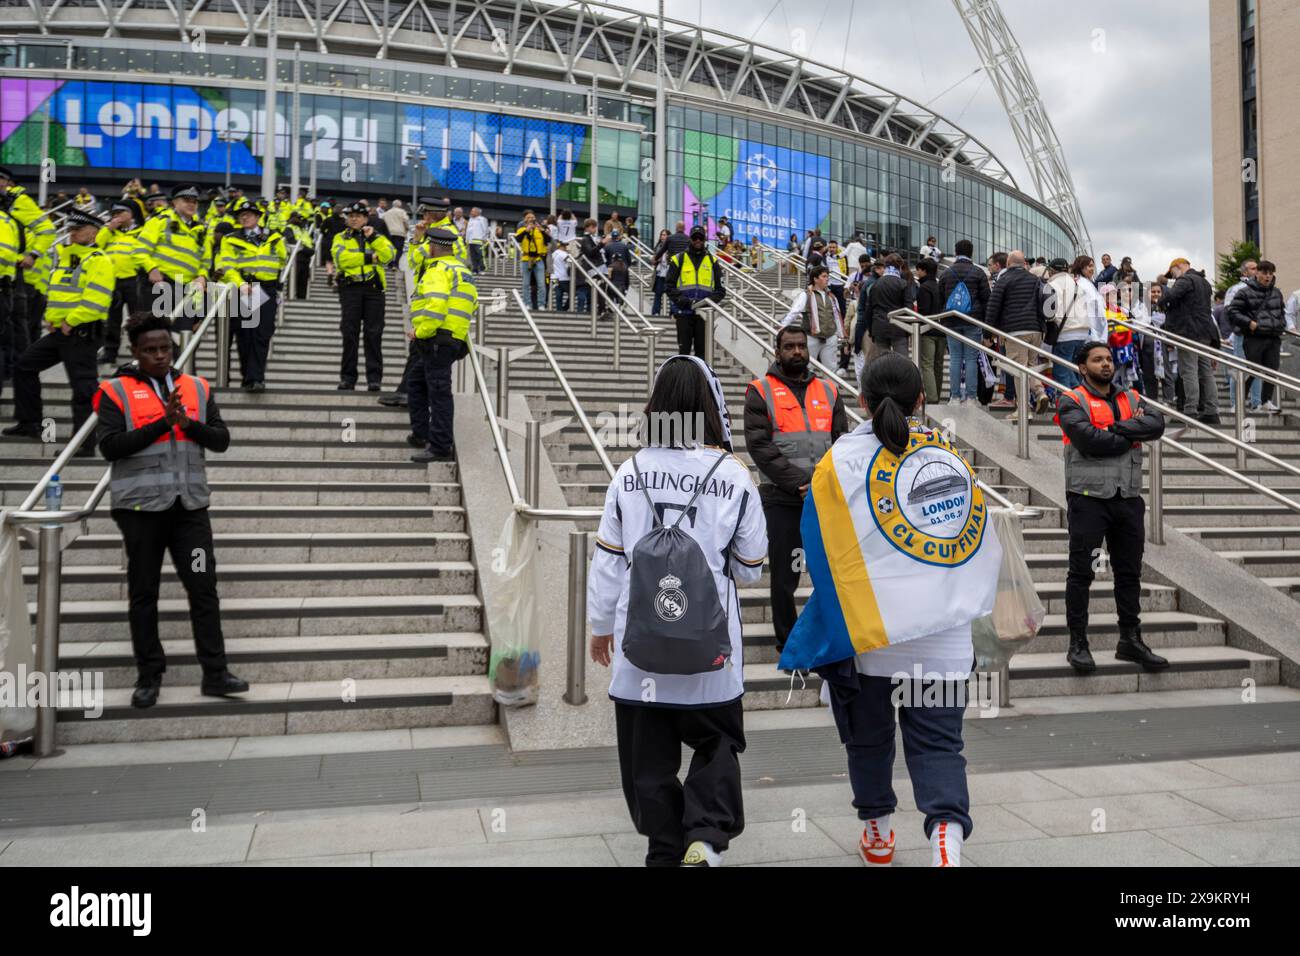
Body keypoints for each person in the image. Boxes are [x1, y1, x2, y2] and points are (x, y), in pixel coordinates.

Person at [779, 353, 1004, 867]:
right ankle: (946, 841)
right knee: (940, 744)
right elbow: (976, 538)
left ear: (858, 400)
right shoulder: (948, 455)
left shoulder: (838, 460)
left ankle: (878, 834)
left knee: (869, 739)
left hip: (871, 632)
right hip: (943, 634)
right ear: (921, 400)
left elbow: (820, 550)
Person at [588, 355, 767, 867]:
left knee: (648, 764)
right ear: (711, 407)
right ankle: (705, 838)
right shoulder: (733, 475)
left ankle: (664, 849)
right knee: (717, 745)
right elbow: (751, 568)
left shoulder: (629, 473)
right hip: (712, 652)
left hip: (640, 650)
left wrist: (600, 629)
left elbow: (607, 565)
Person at [93, 312, 248, 709]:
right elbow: (110, 447)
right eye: (150, 350)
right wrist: (164, 423)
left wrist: (187, 425)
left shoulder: (196, 387)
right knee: (144, 592)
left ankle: (216, 673)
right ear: (135, 352)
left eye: (165, 348)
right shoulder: (115, 391)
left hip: (189, 511)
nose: (160, 355)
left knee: (202, 586)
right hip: (140, 512)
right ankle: (149, 675)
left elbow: (221, 440)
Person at [1057, 341, 1167, 674]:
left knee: (1129, 572)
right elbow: (1089, 440)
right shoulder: (1071, 400)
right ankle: (1078, 643)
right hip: (1088, 499)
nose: (1106, 364)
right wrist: (1129, 433)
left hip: (1128, 499)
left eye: (1108, 359)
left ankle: (1130, 640)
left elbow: (1157, 425)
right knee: (1081, 573)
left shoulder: (1132, 397)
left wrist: (1113, 428)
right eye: (1097, 360)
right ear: (1082, 367)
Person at [744, 325, 847, 657]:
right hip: (782, 499)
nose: (797, 352)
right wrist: (799, 483)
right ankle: (788, 642)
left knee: (828, 574)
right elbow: (760, 447)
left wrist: (819, 486)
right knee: (785, 576)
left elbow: (842, 444)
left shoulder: (829, 391)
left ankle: (829, 636)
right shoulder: (760, 391)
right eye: (789, 347)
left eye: (801, 346)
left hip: (823, 500)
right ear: (777, 352)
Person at [2, 210, 111, 452]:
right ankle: (30, 422)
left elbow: (96, 301)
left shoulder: (98, 259)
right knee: (24, 366)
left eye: (77, 230)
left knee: (83, 388)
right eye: (70, 229)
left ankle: (84, 444)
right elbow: (61, 294)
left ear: (93, 232)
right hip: (61, 331)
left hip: (81, 331)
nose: (71, 233)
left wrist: (70, 321)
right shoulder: (68, 256)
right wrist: (52, 320)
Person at [407, 228, 476, 464]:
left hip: (435, 337)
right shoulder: (462, 270)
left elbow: (436, 304)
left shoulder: (438, 269)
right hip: (453, 338)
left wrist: (420, 331)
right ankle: (421, 433)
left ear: (432, 247)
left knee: (439, 394)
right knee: (416, 382)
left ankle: (439, 446)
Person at [217, 205, 287, 391]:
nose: (244, 218)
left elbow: (282, 259)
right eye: (241, 215)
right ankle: (248, 377)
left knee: (262, 334)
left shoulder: (274, 236)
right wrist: (240, 283)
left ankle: (257, 378)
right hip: (245, 289)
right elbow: (228, 265)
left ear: (258, 217)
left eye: (248, 215)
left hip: (266, 289)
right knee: (245, 335)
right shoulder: (230, 239)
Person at [331, 202, 395, 391]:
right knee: (349, 334)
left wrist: (373, 238)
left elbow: (389, 255)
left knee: (373, 334)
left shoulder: (376, 237)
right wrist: (370, 258)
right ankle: (348, 378)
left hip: (374, 290)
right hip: (350, 289)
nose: (354, 219)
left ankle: (374, 379)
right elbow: (341, 260)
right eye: (351, 216)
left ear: (366, 218)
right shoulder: (340, 238)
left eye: (358, 216)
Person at [986, 250, 1050, 416]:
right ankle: (1039, 392)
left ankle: (1023, 410)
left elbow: (993, 307)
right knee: (1031, 366)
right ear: (1024, 264)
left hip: (1015, 330)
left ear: (1008, 263)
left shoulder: (1004, 280)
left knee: (1018, 370)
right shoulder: (1036, 280)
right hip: (1036, 329)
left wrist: (988, 333)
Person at [137, 184, 210, 328]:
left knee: (184, 336)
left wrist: (202, 276)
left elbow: (206, 261)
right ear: (175, 202)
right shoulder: (160, 221)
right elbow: (139, 250)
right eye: (186, 200)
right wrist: (151, 269)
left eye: (194, 201)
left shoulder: (201, 230)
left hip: (187, 290)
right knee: (156, 334)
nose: (191, 204)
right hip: (160, 284)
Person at [1160, 258, 1220, 425]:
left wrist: (1160, 302)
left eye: (1173, 273)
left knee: (1188, 371)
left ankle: (1190, 411)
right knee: (1205, 372)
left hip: (1188, 332)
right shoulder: (1205, 282)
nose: (1173, 277)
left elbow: (1170, 296)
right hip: (1205, 332)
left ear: (1178, 267)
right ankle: (1211, 411)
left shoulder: (1185, 280)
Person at [1226, 259, 1286, 413]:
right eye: (1264, 273)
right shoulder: (1244, 291)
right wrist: (1249, 323)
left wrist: (1281, 324)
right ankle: (1240, 401)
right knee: (1253, 370)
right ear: (1257, 273)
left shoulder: (1276, 292)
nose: (1268, 277)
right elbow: (1232, 311)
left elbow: (1282, 312)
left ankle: (1266, 401)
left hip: (1273, 336)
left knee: (1272, 370)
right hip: (1254, 336)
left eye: (1271, 274)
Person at [95, 201, 148, 367]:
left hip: (135, 280)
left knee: (138, 319)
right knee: (112, 320)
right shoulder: (109, 232)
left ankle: (140, 352)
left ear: (131, 214)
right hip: (113, 281)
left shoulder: (142, 231)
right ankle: (110, 353)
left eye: (120, 212)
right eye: (114, 213)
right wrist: (108, 229)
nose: (116, 216)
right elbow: (95, 245)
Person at [938, 239, 990, 405]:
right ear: (971, 253)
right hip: (972, 321)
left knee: (955, 358)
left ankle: (954, 396)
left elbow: (941, 299)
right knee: (971, 359)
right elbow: (986, 299)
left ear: (955, 252)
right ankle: (971, 397)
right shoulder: (978, 272)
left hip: (951, 321)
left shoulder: (946, 273)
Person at [666, 226, 725, 355]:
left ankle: (700, 376)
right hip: (683, 312)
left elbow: (721, 290)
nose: (697, 240)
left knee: (702, 353)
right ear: (690, 239)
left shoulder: (712, 261)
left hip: (703, 315)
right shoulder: (678, 259)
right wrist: (684, 300)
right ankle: (684, 375)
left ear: (704, 240)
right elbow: (669, 286)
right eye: (694, 237)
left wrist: (706, 302)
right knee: (684, 352)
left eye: (701, 238)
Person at [781, 266, 843, 369]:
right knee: (808, 367)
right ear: (815, 279)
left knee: (831, 369)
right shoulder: (805, 295)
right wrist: (782, 327)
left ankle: (831, 385)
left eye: (827, 276)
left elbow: (836, 316)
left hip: (830, 337)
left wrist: (840, 335)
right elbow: (794, 312)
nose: (827, 278)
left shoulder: (831, 297)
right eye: (824, 276)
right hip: (811, 337)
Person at [865, 253, 916, 364]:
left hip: (879, 328)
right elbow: (909, 309)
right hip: (899, 328)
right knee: (902, 363)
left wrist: (871, 330)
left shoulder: (875, 284)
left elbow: (869, 310)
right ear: (900, 267)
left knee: (882, 364)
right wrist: (909, 330)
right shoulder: (903, 284)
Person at [1225, 259, 1260, 409]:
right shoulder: (1236, 289)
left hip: (1259, 335)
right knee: (1240, 368)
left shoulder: (1263, 289)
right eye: (1253, 268)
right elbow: (1230, 311)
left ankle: (1256, 402)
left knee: (1257, 370)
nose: (1257, 271)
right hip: (1242, 334)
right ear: (1244, 272)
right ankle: (1236, 403)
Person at [914, 257, 946, 403]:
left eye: (919, 269)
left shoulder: (924, 288)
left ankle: (932, 399)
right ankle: (937, 395)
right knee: (938, 365)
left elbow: (923, 312)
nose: (917, 272)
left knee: (927, 365)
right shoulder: (940, 286)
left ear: (924, 270)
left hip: (927, 331)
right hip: (942, 330)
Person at [515, 211, 548, 310]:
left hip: (538, 259)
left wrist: (541, 230)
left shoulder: (540, 230)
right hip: (526, 259)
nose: (531, 219)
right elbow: (518, 239)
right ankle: (527, 303)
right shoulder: (522, 229)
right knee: (525, 283)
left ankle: (541, 304)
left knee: (541, 283)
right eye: (529, 218)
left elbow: (548, 240)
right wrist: (526, 230)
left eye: (533, 218)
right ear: (525, 220)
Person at [285, 212, 315, 300]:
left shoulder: (304, 231)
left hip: (306, 258)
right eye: (298, 218)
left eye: (301, 218)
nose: (300, 220)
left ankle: (302, 298)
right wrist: (306, 249)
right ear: (292, 218)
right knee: (294, 278)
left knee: (304, 280)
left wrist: (306, 249)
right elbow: (291, 241)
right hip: (295, 258)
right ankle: (290, 297)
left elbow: (311, 245)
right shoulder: (289, 228)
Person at [382, 199, 410, 265]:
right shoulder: (402, 212)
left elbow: (383, 222)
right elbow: (405, 221)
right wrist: (407, 229)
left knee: (390, 248)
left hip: (389, 233)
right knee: (399, 249)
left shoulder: (387, 213)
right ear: (400, 205)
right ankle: (396, 263)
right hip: (400, 233)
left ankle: (390, 263)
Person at [650, 228, 671, 316]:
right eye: (661, 235)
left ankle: (673, 312)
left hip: (668, 274)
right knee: (658, 294)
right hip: (659, 273)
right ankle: (655, 312)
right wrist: (655, 260)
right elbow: (653, 260)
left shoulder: (671, 246)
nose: (662, 237)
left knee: (671, 294)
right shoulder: (658, 246)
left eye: (664, 235)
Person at [464, 206, 490, 274]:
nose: (471, 212)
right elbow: (468, 231)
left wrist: (484, 239)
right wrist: (467, 240)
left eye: (472, 211)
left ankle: (482, 269)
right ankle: (474, 270)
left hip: (479, 241)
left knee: (480, 255)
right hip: (470, 241)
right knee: (473, 256)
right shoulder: (470, 219)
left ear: (477, 212)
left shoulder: (482, 219)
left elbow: (486, 230)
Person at [550, 244, 571, 311]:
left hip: (554, 278)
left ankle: (559, 309)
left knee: (558, 294)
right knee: (572, 293)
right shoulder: (563, 254)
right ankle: (565, 308)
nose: (566, 247)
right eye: (566, 246)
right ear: (562, 246)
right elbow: (571, 262)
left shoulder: (553, 254)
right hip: (563, 278)